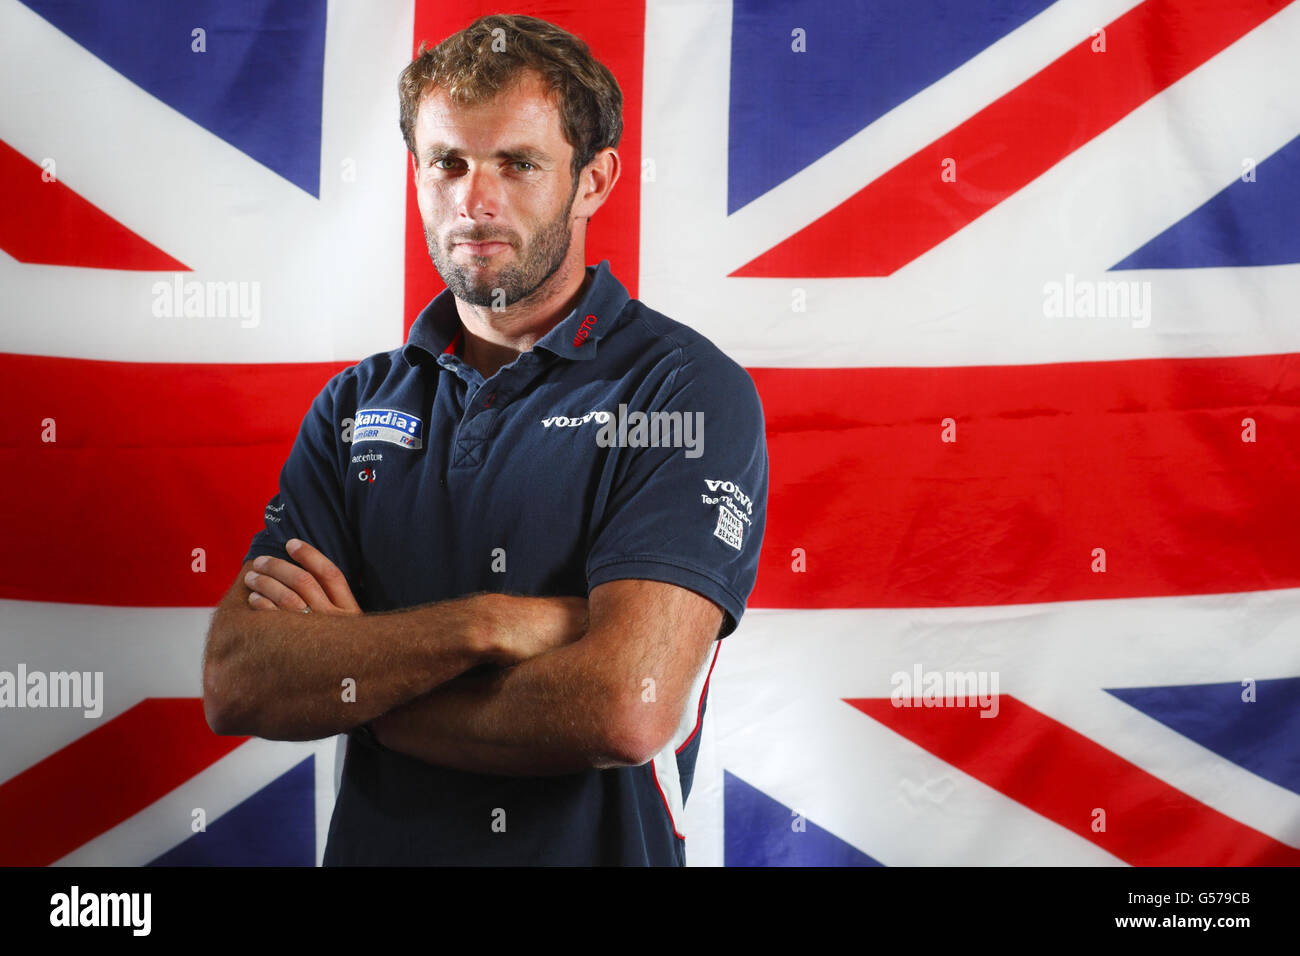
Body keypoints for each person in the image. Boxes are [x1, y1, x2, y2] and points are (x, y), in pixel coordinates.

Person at [202, 13, 768, 866]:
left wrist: (362, 687)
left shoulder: (682, 391)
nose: (476, 201)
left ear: (593, 180)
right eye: (449, 163)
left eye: (518, 163)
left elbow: (626, 706)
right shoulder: (357, 404)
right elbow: (240, 679)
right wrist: (491, 624)